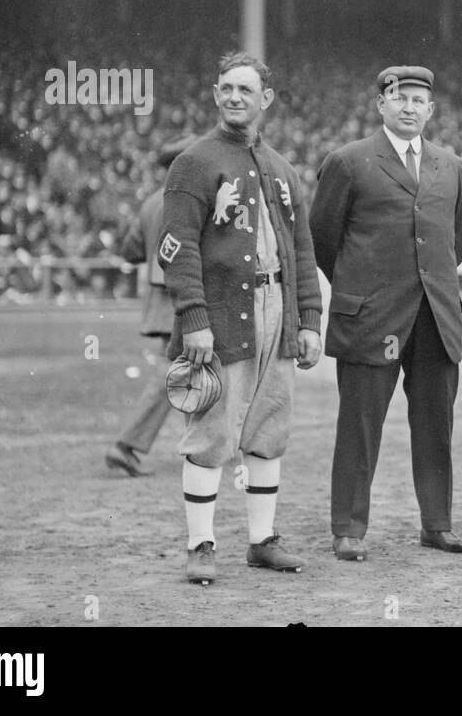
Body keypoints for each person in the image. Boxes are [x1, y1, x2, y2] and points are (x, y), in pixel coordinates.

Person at [157, 52, 323, 585]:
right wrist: (193, 316)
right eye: (226, 87)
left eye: (245, 90)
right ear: (215, 93)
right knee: (211, 430)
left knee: (269, 428)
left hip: (277, 308)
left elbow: (301, 248)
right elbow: (175, 247)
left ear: (265, 99)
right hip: (223, 309)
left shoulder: (281, 168)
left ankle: (261, 541)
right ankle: (200, 545)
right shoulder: (195, 162)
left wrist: (309, 320)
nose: (234, 97)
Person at [309, 65, 462, 562]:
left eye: (419, 99)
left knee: (435, 426)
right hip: (371, 317)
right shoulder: (348, 162)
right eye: (398, 97)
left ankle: (437, 524)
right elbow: (323, 240)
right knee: (360, 424)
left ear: (431, 109)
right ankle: (349, 528)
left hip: (435, 317)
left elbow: (456, 243)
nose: (409, 106)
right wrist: (365, 289)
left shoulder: (451, 166)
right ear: (380, 104)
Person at [105, 133, 196, 477]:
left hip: (159, 301)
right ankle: (126, 444)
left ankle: (200, 446)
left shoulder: (150, 203)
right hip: (184, 299)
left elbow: (130, 251)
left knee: (190, 372)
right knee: (171, 376)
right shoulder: (188, 201)